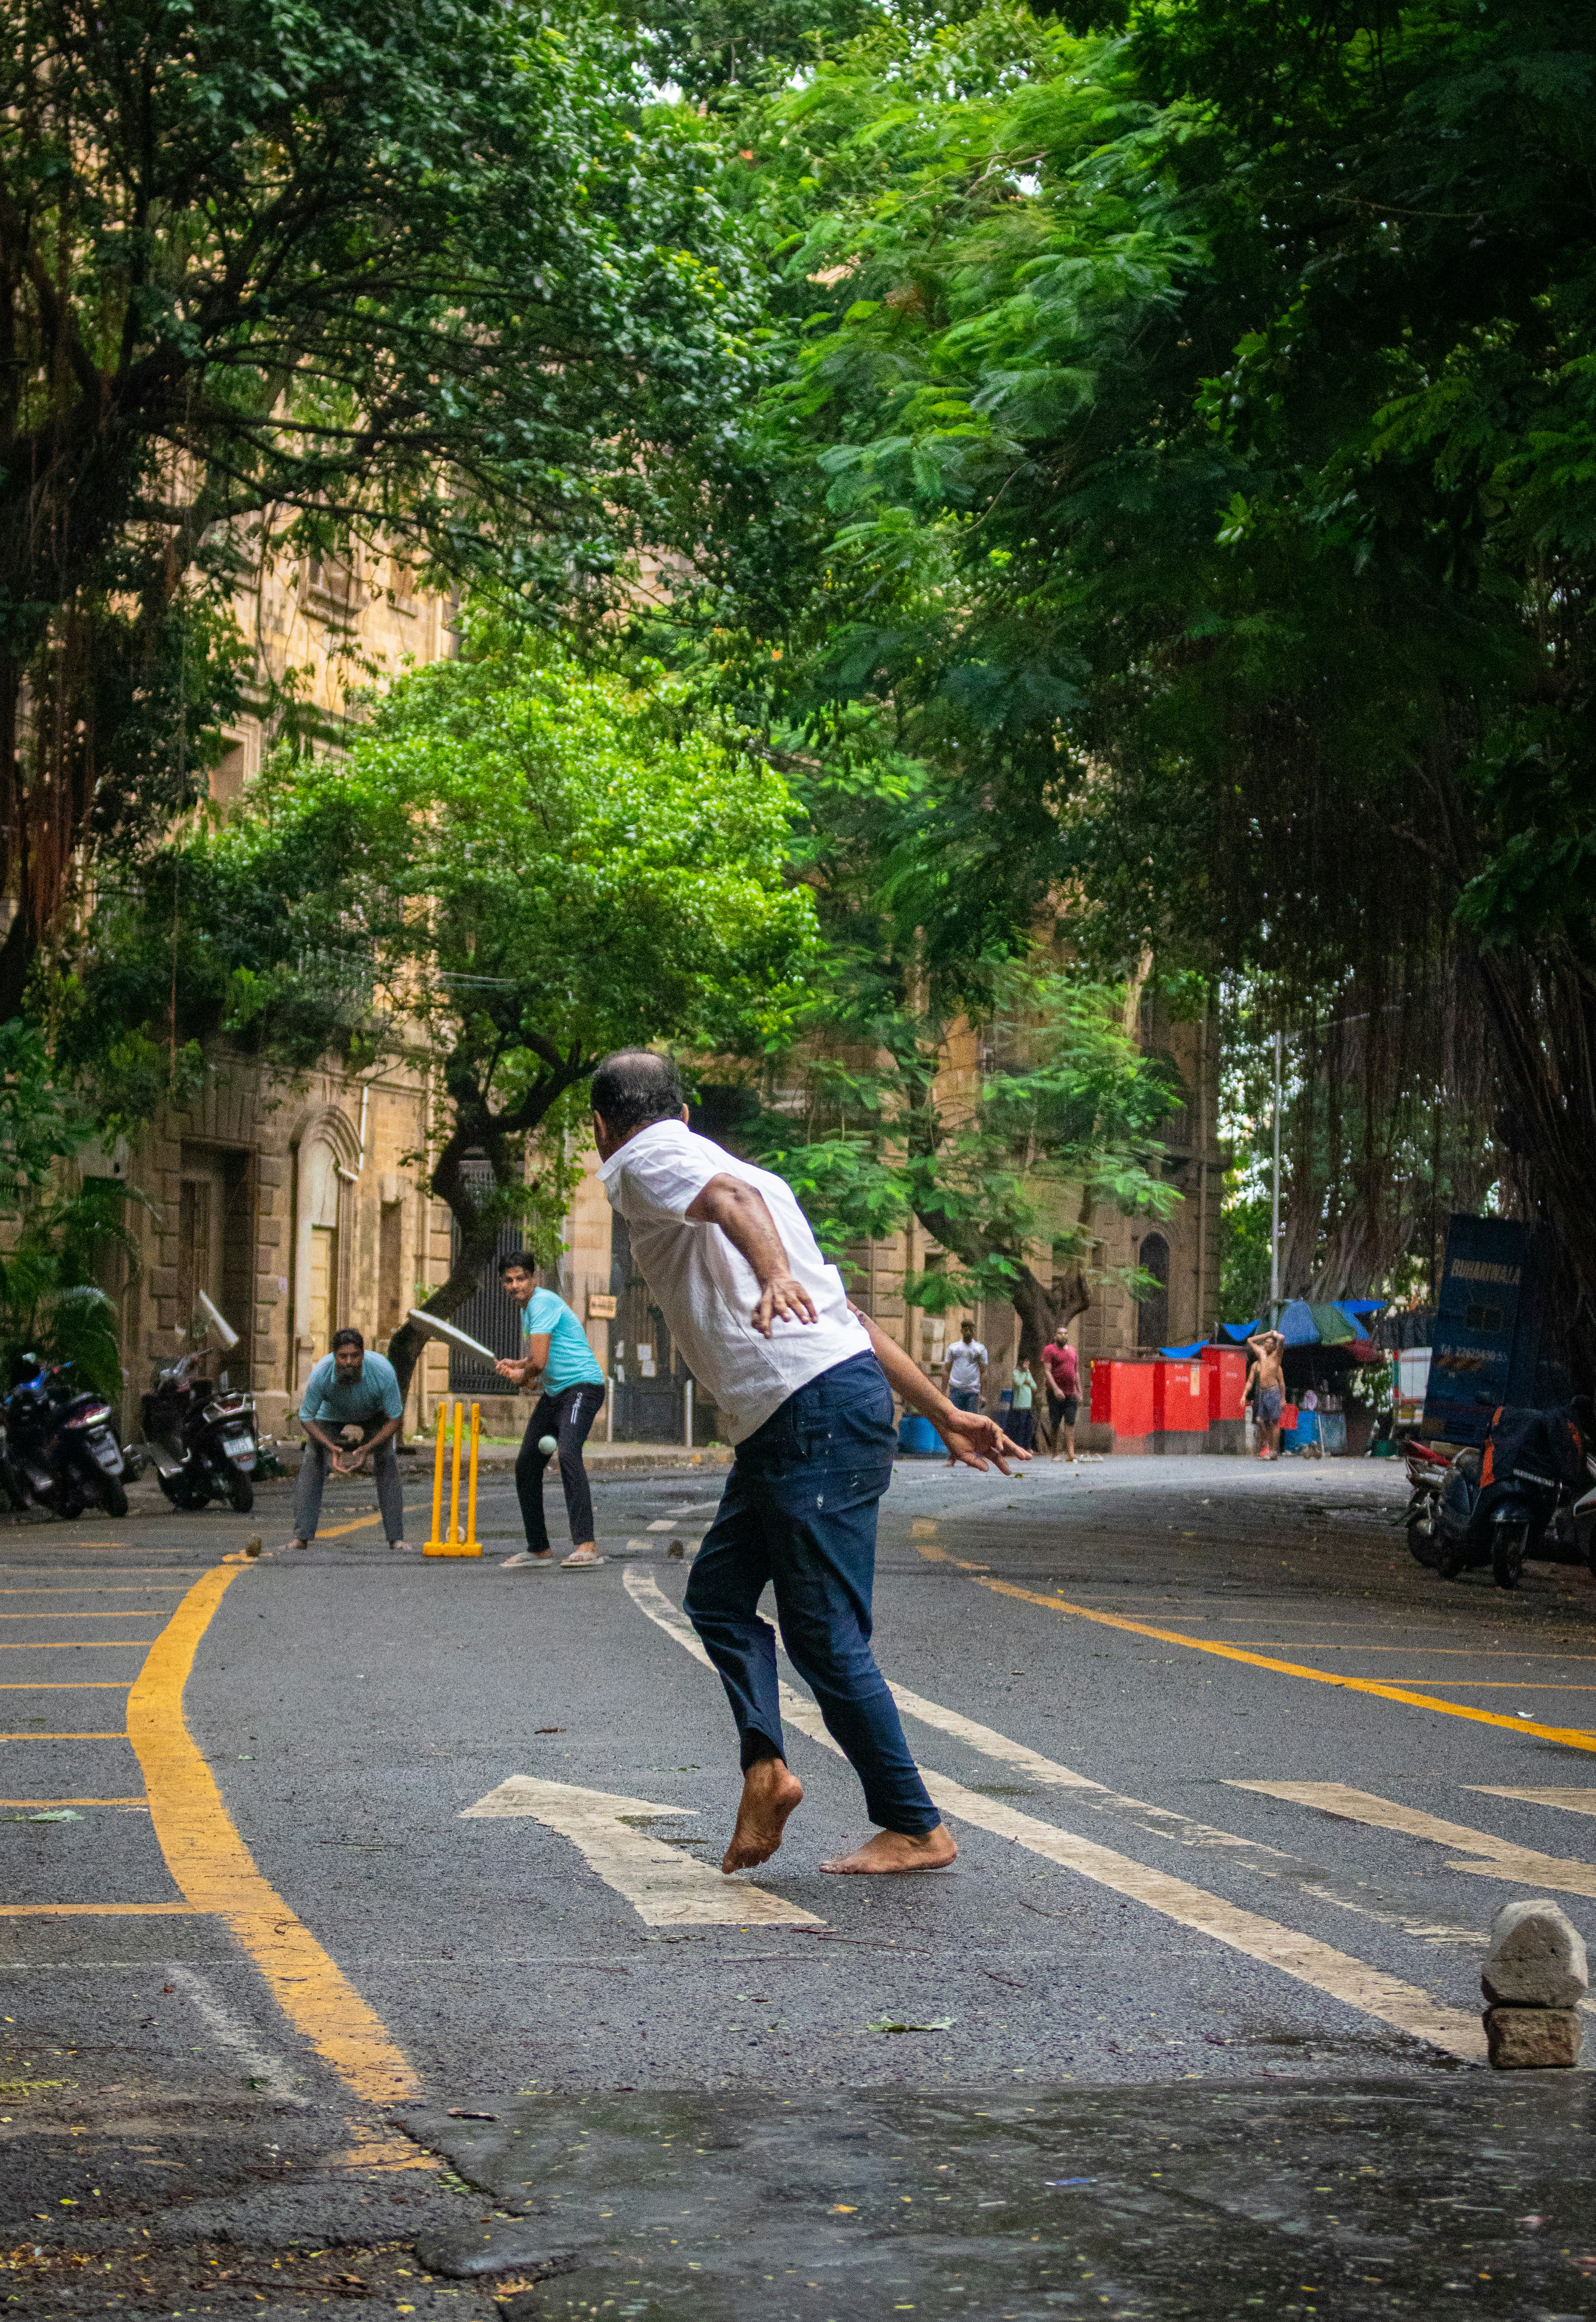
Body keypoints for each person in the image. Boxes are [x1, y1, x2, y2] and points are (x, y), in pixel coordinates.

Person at [592, 1048, 1027, 1878]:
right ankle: (766, 1771)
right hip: (803, 1409)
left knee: (823, 1636)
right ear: (684, 1111)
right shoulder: (743, 1172)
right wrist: (942, 1411)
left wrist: (773, 1273)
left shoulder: (644, 1159)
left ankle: (914, 1825)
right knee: (718, 1597)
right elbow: (849, 1314)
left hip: (808, 1412)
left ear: (602, 1128)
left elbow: (730, 1202)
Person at [493, 1253, 608, 1570]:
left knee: (568, 1454)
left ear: (534, 1279)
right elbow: (538, 1364)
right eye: (509, 1280)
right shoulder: (529, 1310)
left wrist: (524, 1373)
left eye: (521, 1279)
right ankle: (539, 1549)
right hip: (557, 1393)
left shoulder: (541, 1303)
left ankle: (586, 1545)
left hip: (583, 1388)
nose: (515, 1285)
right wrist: (519, 1368)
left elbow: (539, 1363)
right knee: (527, 1465)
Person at [289, 1327, 409, 1551]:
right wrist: (330, 1446)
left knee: (386, 1460)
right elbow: (306, 1417)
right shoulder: (321, 1374)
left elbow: (395, 1419)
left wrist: (369, 1448)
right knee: (313, 1458)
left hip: (374, 1414)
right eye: (343, 1357)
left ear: (363, 1355)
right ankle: (301, 1537)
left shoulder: (382, 1370)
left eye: (354, 1356)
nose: (349, 1362)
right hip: (331, 1415)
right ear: (335, 1357)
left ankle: (397, 1538)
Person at [941, 1321, 988, 1466]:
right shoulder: (953, 1348)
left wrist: (982, 1394)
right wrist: (943, 1392)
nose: (968, 1332)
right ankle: (953, 1457)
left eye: (971, 1329)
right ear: (962, 1330)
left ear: (974, 1331)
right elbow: (946, 1370)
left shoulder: (980, 1349)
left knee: (971, 1425)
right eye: (965, 1329)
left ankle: (970, 1456)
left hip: (973, 1391)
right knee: (954, 1425)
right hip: (956, 1390)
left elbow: (984, 1372)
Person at [1247, 1329, 1287, 1460]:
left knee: (1274, 1422)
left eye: (1271, 1343)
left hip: (1273, 1392)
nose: (1267, 1345)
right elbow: (1250, 1341)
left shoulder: (1277, 1355)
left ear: (1274, 1346)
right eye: (1266, 1343)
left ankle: (1274, 1452)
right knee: (1263, 1421)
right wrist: (1267, 1335)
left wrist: (1283, 1398)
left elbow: (1282, 1339)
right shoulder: (1262, 1354)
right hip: (1263, 1392)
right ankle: (1269, 1450)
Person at [1041, 1334, 1080, 1461]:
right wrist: (1056, 1389)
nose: (1063, 1336)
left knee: (1070, 1423)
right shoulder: (1049, 1350)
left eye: (1065, 1333)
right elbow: (1047, 1371)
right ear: (1055, 1336)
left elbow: (1076, 1372)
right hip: (1055, 1394)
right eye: (1060, 1333)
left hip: (1071, 1393)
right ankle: (1055, 1453)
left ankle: (1071, 1453)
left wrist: (1080, 1391)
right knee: (1055, 1423)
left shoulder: (1073, 1350)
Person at [1007, 1358, 1037, 1452]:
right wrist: (1025, 1374)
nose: (1027, 1365)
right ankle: (1019, 1446)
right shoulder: (1016, 1373)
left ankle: (1028, 1446)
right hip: (1020, 1404)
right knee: (1020, 1426)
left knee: (1029, 1426)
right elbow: (1019, 1383)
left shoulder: (1028, 1373)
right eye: (1025, 1363)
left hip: (1028, 1404)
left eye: (1028, 1363)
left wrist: (1028, 1374)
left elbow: (1034, 1386)